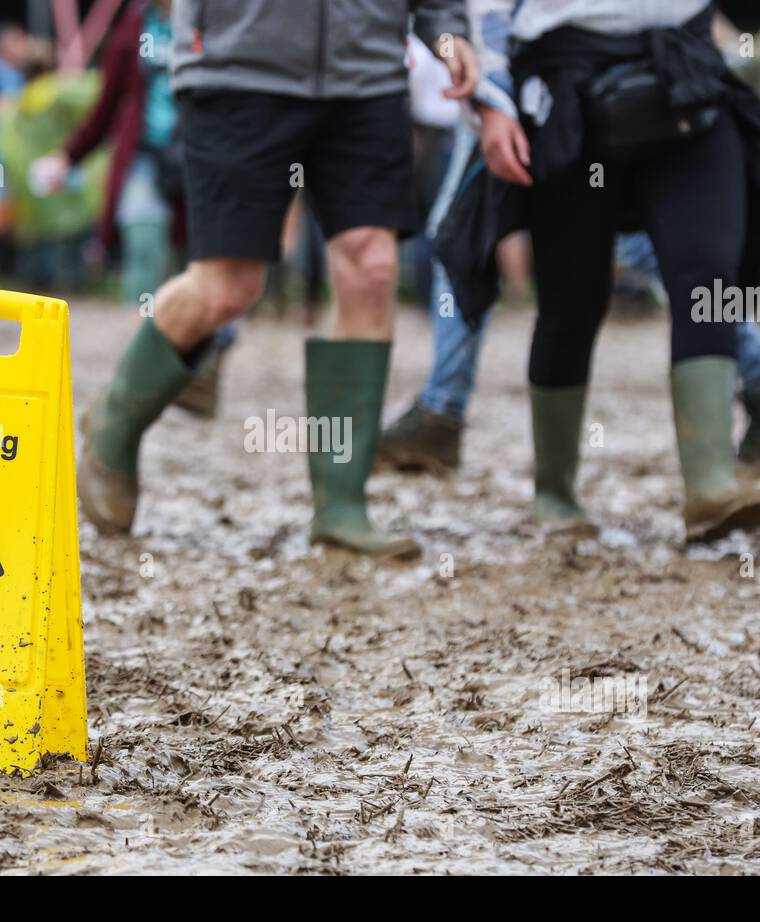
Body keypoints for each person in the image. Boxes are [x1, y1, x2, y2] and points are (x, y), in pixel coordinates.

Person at [76, 0, 479, 559]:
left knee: (372, 266)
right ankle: (116, 420)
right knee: (227, 287)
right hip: (238, 68)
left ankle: (342, 504)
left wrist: (446, 31)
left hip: (367, 74)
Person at [381, 1, 760, 486]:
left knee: (467, 230)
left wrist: (493, 89)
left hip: (565, 66)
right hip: (560, 61)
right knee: (636, 251)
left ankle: (441, 411)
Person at [35, 0, 236, 418]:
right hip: (144, 159)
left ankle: (196, 373)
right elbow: (109, 102)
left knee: (204, 268)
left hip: (204, 159)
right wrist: (69, 156)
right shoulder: (133, 25)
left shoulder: (218, 18)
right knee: (143, 248)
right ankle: (137, 375)